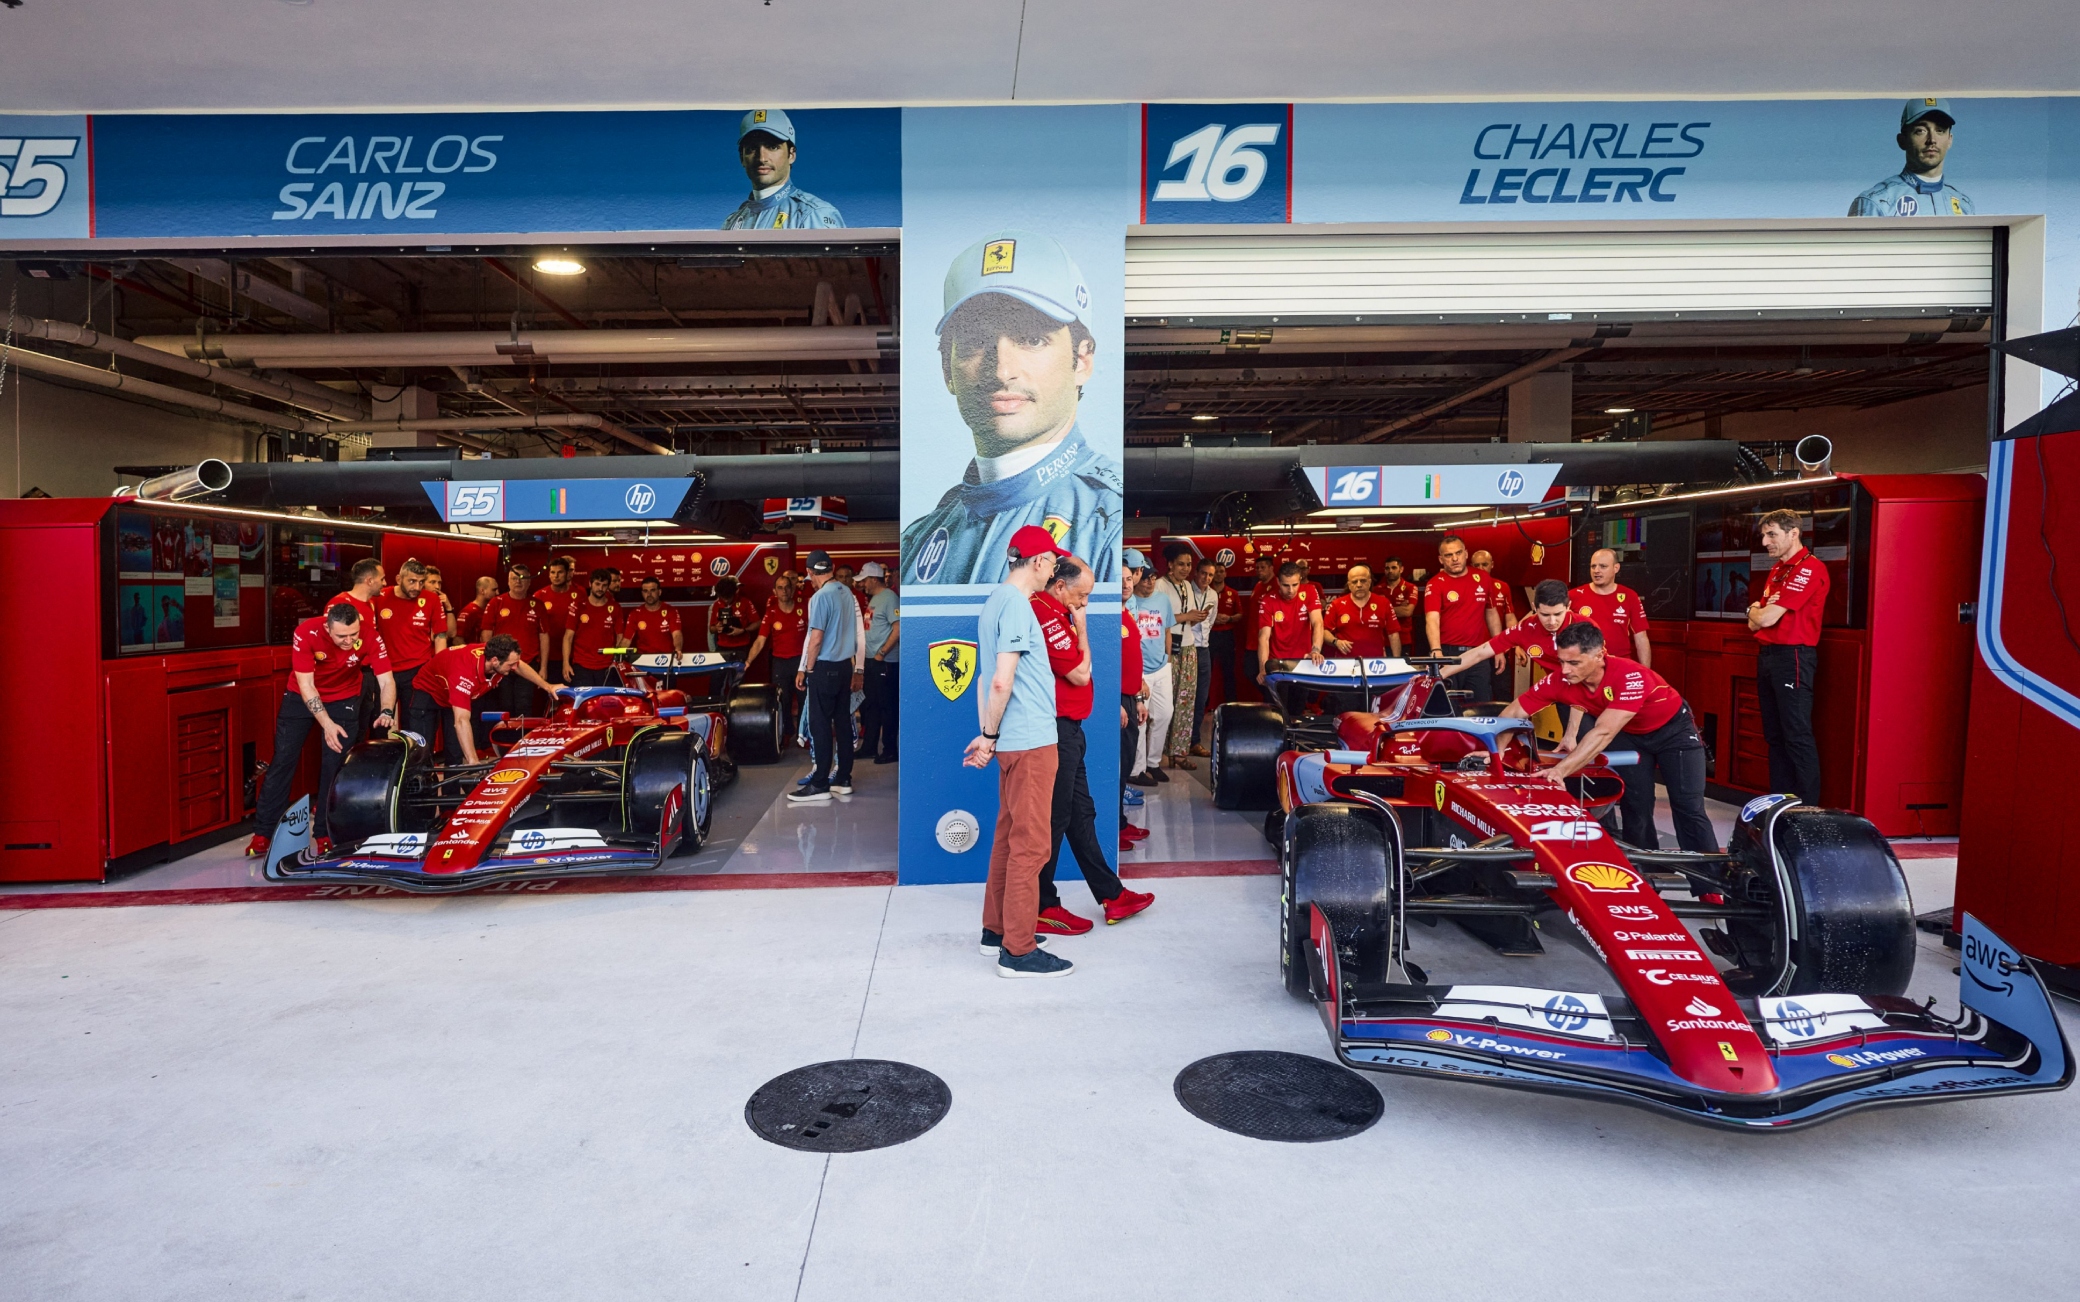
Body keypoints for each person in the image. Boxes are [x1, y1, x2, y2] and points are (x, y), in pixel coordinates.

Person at [900, 231, 1122, 586]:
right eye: (975, 342)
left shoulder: (1110, 521)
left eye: (1032, 339)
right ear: (947, 370)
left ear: (1081, 360)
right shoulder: (917, 540)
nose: (1001, 370)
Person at [964, 525, 1074, 978]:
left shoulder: (997, 601)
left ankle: (997, 931)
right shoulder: (1016, 606)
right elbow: (1000, 680)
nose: (1054, 567)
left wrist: (989, 734)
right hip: (1028, 741)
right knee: (1031, 845)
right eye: (1051, 560)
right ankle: (1019, 950)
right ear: (1036, 562)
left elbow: (992, 677)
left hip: (1015, 741)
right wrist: (988, 736)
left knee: (1008, 840)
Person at [1504, 623, 1718, 854]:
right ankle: (1644, 871)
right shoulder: (1561, 679)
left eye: (1574, 663)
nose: (1564, 670)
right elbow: (1514, 712)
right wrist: (1492, 750)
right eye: (1562, 661)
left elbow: (1603, 731)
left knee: (1688, 806)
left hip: (1673, 732)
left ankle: (1710, 885)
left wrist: (1560, 770)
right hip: (1630, 734)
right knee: (1636, 804)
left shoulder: (1631, 675)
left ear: (1599, 656)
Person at [1031, 556, 1155, 933]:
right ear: (1059, 586)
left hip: (1070, 731)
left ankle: (1111, 895)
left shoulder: (1056, 611)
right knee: (1055, 819)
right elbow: (1079, 673)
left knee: (1079, 814)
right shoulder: (1046, 613)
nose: (1085, 603)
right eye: (1082, 595)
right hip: (1057, 732)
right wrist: (1081, 628)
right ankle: (1040, 904)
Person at [243, 602, 396, 862]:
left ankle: (325, 832)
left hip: (345, 696)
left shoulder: (370, 633)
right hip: (301, 697)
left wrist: (387, 711)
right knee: (283, 760)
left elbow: (386, 680)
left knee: (334, 765)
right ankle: (263, 832)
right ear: (327, 627)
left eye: (353, 635)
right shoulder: (306, 632)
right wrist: (326, 724)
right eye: (341, 636)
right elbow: (306, 685)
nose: (349, 641)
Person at [1748, 507, 1831, 806]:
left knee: (1796, 734)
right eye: (1764, 535)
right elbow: (1754, 620)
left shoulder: (1808, 568)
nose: (1765, 542)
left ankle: (1807, 807)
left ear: (1793, 533)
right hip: (1768, 655)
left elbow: (1765, 617)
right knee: (1774, 735)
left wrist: (1756, 611)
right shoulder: (1778, 569)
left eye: (1772, 535)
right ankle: (1780, 803)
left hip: (1793, 657)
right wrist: (1755, 612)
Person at [407, 634, 555, 765]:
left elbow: (520, 665)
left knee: (455, 753)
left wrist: (548, 687)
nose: (514, 668)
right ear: (495, 661)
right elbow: (461, 721)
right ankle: (422, 794)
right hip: (428, 693)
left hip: (450, 694)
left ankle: (454, 795)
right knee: (422, 751)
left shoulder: (498, 656)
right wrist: (473, 761)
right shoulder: (464, 672)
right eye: (511, 665)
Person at [789, 551, 865, 803]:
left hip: (824, 667)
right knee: (843, 724)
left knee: (820, 726)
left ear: (810, 572)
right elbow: (857, 634)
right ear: (831, 568)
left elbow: (816, 638)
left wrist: (808, 668)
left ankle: (820, 783)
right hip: (845, 667)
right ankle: (843, 779)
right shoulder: (847, 593)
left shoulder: (820, 597)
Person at [1438, 579, 1579, 690]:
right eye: (1545, 615)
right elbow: (1480, 653)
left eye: (1558, 614)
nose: (1552, 621)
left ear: (1568, 606)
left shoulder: (1584, 626)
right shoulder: (1525, 629)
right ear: (1534, 608)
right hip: (1562, 688)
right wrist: (1440, 674)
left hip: (1593, 688)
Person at [722, 109, 846, 231]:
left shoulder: (813, 214)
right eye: (752, 148)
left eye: (773, 147)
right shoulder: (733, 222)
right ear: (741, 158)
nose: (762, 158)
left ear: (791, 155)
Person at [1849, 98, 1974, 218]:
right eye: (1920, 131)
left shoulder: (1964, 205)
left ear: (1950, 140)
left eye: (1940, 130)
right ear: (1902, 141)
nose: (1932, 140)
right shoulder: (1876, 202)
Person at [1423, 535, 1502, 701]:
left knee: (1481, 705)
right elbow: (1432, 619)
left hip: (1479, 654)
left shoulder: (1483, 578)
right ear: (1441, 559)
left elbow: (1491, 613)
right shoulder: (1436, 583)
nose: (1455, 558)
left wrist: (1499, 647)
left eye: (1458, 553)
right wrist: (1436, 650)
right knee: (1448, 705)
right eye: (1448, 555)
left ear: (1466, 553)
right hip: (1448, 654)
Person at [1160, 545, 1215, 769]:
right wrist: (1187, 616)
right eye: (1181, 564)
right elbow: (1157, 619)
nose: (1185, 569)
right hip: (1167, 648)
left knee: (1185, 703)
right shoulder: (1160, 586)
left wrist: (1197, 617)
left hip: (1189, 647)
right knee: (1165, 704)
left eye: (1189, 564)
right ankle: (1159, 754)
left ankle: (1180, 753)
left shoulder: (1187, 587)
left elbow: (1188, 618)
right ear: (1170, 564)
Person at [1126, 555, 1176, 786]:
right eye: (1145, 578)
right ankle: (1137, 769)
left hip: (1161, 666)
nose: (1150, 582)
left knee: (1165, 714)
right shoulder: (1129, 601)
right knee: (1140, 719)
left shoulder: (1163, 600)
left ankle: (1153, 763)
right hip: (1141, 670)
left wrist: (1168, 659)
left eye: (1153, 578)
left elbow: (1167, 630)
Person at [745, 569, 807, 741]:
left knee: (804, 699)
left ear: (792, 589)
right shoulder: (771, 612)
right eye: (780, 588)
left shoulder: (804, 607)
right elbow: (760, 640)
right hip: (780, 662)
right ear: (774, 592)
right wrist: (748, 660)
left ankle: (804, 733)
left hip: (802, 662)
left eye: (787, 587)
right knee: (783, 700)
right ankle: (787, 733)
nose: (784, 591)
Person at [478, 564, 546, 721]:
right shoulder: (496, 603)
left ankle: (521, 741)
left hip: (528, 663)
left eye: (523, 578)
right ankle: (504, 741)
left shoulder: (538, 605)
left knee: (524, 705)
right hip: (501, 665)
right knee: (504, 704)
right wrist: (489, 664)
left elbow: (544, 636)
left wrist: (543, 667)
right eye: (514, 578)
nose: (518, 582)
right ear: (508, 581)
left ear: (529, 582)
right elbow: (486, 635)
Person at [1569, 547, 1653, 673]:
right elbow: (1543, 619)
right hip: (1584, 668)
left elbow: (1641, 638)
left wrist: (1646, 675)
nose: (1596, 571)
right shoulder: (1573, 596)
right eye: (1593, 566)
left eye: (1603, 566)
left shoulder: (1630, 596)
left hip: (1620, 666)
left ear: (1616, 568)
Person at [372, 558, 438, 712]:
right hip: (385, 669)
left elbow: (441, 636)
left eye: (421, 582)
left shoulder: (431, 599)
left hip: (417, 669)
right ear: (398, 579)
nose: (417, 587)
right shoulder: (379, 597)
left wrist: (438, 670)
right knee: (378, 719)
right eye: (412, 581)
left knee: (413, 722)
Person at [1119, 566, 1153, 841]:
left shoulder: (1125, 612)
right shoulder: (1108, 616)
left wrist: (1138, 699)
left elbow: (1130, 658)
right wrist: (1114, 702)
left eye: (1129, 579)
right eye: (1119, 580)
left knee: (1127, 762)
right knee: (1119, 766)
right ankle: (1114, 826)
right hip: (1118, 701)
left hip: (1130, 697)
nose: (1125, 585)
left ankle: (1119, 821)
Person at [859, 561, 900, 763]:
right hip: (872, 661)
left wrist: (882, 653)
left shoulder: (889, 598)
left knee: (887, 707)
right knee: (871, 706)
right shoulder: (875, 598)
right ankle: (869, 747)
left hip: (884, 662)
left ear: (874, 579)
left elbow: (898, 628)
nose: (863, 584)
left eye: (865, 580)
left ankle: (890, 750)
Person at [562, 568, 626, 688]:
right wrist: (566, 663)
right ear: (590, 583)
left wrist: (616, 662)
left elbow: (620, 637)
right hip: (581, 666)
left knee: (606, 704)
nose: (600, 588)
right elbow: (568, 637)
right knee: (583, 703)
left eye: (604, 585)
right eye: (597, 584)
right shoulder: (578, 606)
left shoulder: (615, 608)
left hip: (607, 666)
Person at [1324, 563, 1396, 659]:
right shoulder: (1336, 604)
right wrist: (1336, 642)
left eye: (1363, 581)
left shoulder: (1383, 603)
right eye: (1354, 582)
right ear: (1349, 585)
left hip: (1376, 664)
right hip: (1344, 664)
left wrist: (1397, 661)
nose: (1359, 585)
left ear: (1369, 582)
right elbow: (1324, 631)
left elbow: (1393, 634)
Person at [1241, 553, 1278, 698]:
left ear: (1271, 568)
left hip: (1268, 641)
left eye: (1263, 567)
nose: (1259, 570)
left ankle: (1274, 700)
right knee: (1249, 671)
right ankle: (1271, 696)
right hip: (1252, 639)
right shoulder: (1258, 585)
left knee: (1267, 674)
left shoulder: (1277, 585)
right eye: (1257, 567)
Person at [1208, 559, 1243, 708]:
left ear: (1226, 573)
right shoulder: (1206, 592)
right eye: (1216, 572)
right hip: (1209, 636)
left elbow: (1240, 614)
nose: (1219, 574)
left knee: (1229, 672)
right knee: (1206, 673)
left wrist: (1229, 618)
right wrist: (1213, 619)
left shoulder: (1232, 593)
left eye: (1221, 571)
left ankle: (1232, 704)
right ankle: (1205, 705)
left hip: (1227, 636)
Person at [627, 577, 684, 656]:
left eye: (652, 590)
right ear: (642, 593)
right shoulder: (635, 614)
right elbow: (627, 639)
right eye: (645, 591)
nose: (649, 594)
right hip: (643, 659)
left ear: (659, 592)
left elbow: (677, 634)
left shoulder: (671, 611)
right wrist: (617, 657)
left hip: (667, 657)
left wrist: (678, 650)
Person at [708, 575, 759, 660]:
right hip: (722, 646)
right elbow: (711, 629)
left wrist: (743, 630)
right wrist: (717, 628)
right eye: (723, 598)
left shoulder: (745, 602)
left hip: (741, 647)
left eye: (728, 597)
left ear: (735, 592)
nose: (726, 600)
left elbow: (758, 623)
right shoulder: (716, 604)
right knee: (721, 672)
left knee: (739, 673)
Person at [1381, 556, 1419, 653]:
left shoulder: (1410, 587)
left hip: (1404, 638)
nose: (1390, 571)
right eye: (1387, 568)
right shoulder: (1377, 589)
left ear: (1401, 569)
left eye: (1394, 568)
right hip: (1382, 640)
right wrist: (1399, 609)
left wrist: (1384, 610)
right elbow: (1374, 613)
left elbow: (1407, 611)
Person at [457, 574, 499, 644]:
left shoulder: (492, 611)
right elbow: (458, 640)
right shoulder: (469, 612)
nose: (498, 593)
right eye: (494, 590)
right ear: (482, 591)